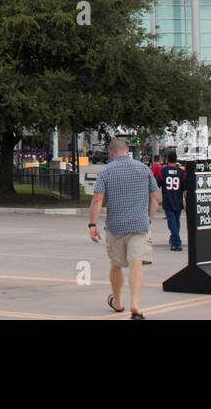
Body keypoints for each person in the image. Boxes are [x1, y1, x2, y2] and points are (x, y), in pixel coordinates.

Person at [88, 137, 159, 319]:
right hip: (140, 224)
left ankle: (118, 302)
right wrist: (149, 219)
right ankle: (135, 304)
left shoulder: (106, 171)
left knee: (116, 265)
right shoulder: (144, 168)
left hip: (116, 226)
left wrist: (92, 224)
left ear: (111, 153)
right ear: (127, 151)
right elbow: (155, 198)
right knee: (137, 264)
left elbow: (97, 199)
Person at [160, 150, 185, 251]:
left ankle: (176, 242)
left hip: (168, 199)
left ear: (167, 159)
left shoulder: (164, 171)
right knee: (176, 221)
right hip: (178, 199)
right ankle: (174, 237)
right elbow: (185, 188)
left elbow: (157, 183)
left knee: (171, 222)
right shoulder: (181, 172)